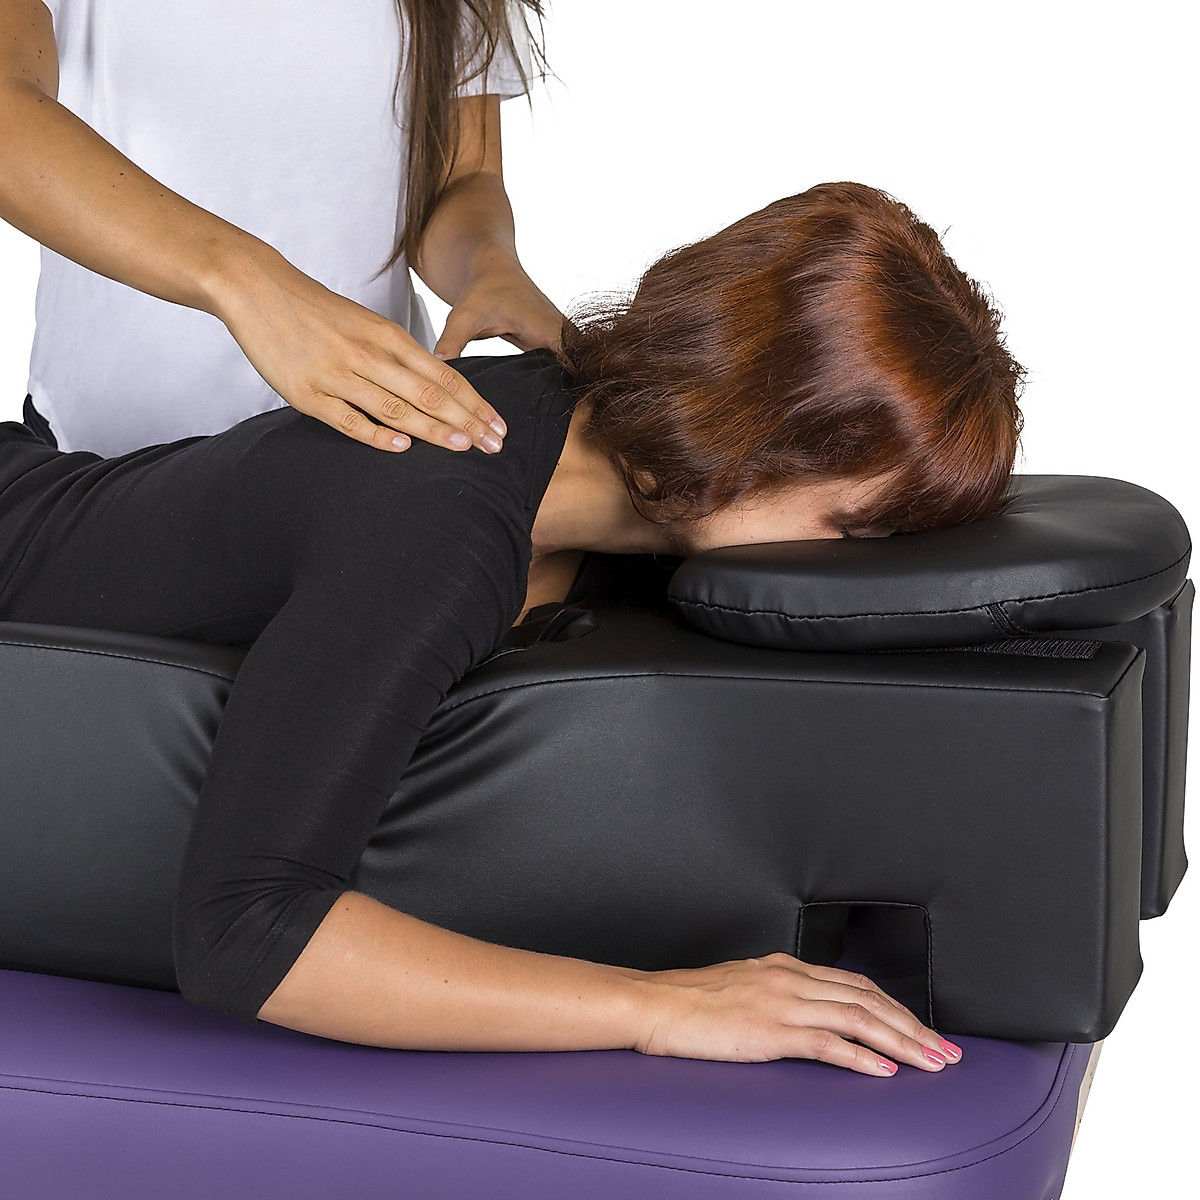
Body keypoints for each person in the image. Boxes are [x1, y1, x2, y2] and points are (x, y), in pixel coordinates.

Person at [0, 182, 1023, 1077]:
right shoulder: (435, 530)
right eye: (854, 530)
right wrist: (660, 1007)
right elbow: (248, 932)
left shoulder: (577, 434)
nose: (857, 566)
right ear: (746, 439)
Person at [0, 0, 560, 457]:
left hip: (361, 447)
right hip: (105, 455)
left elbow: (461, 176)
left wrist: (489, 265)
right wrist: (248, 286)